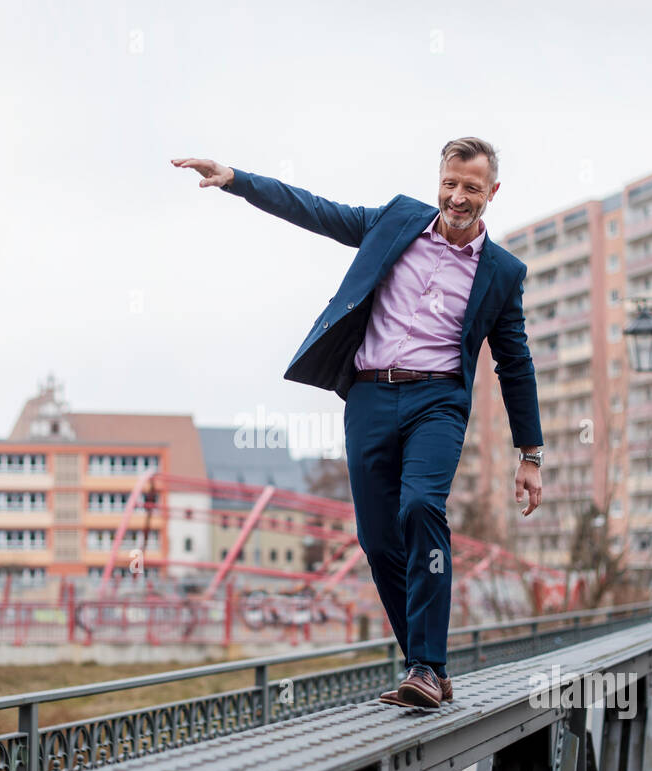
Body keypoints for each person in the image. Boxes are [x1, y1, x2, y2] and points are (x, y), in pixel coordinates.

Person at [172, 137, 543, 707]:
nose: (457, 196)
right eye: (450, 183)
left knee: (421, 507)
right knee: (377, 540)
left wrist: (530, 455)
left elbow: (515, 364)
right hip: (369, 398)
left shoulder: (502, 272)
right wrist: (236, 179)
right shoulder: (396, 220)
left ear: (492, 193)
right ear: (438, 180)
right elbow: (318, 211)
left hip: (437, 402)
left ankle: (425, 665)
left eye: (471, 187)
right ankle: (428, 669)